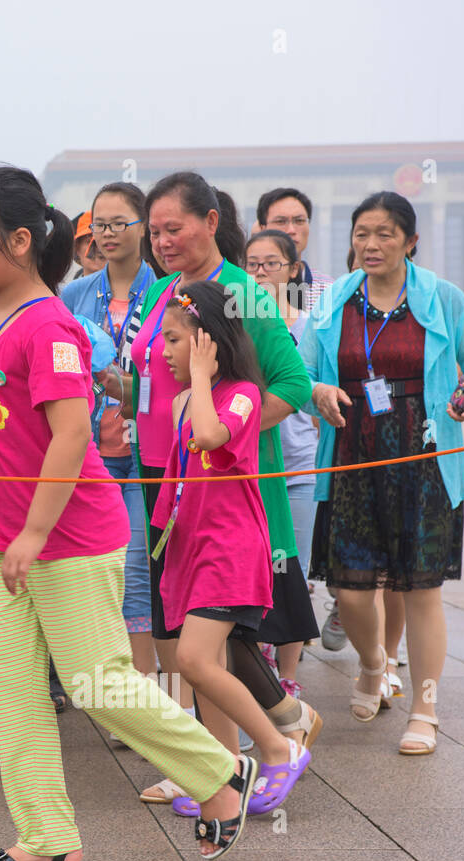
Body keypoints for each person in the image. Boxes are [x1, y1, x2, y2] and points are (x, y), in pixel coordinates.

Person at [0, 165, 258, 861]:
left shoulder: (49, 325)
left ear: (21, 240)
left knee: (97, 682)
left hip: (70, 538)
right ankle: (48, 840)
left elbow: (71, 434)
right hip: (7, 541)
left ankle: (219, 772)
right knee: (12, 689)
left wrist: (30, 530)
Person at [130, 172, 322, 803]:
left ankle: (272, 741)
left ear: (212, 223)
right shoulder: (162, 293)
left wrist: (226, 430)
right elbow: (152, 383)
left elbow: (292, 384)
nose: (161, 241)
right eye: (153, 230)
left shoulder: (241, 295)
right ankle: (221, 769)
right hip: (170, 487)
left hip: (227, 494)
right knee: (184, 637)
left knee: (219, 640)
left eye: (173, 228)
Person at [302, 191, 464, 756]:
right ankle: (374, 663)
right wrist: (316, 391)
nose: (371, 244)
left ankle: (424, 709)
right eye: (362, 234)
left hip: (422, 459)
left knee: (422, 590)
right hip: (352, 458)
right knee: (350, 593)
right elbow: (298, 376)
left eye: (384, 233)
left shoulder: (443, 299)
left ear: (410, 240)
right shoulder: (333, 303)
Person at [153, 281, 312, 816]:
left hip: (230, 546)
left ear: (208, 341)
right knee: (208, 662)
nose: (165, 351)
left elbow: (211, 436)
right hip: (191, 546)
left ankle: (277, 748)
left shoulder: (240, 392)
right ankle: (226, 775)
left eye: (176, 340)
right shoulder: (182, 398)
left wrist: (200, 377)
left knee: (196, 660)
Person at [61, 183, 158, 681]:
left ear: (144, 226)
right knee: (96, 571)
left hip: (143, 453)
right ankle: (109, 679)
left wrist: (123, 386)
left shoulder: (165, 291)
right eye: (100, 224)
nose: (108, 234)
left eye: (120, 223)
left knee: (137, 571)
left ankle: (144, 689)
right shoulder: (74, 295)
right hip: (90, 452)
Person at [246, 229, 318, 696]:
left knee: (293, 573)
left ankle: (288, 678)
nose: (259, 273)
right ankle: (261, 668)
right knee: (255, 573)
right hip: (256, 466)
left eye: (270, 263)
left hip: (302, 464)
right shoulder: (242, 321)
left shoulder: (313, 323)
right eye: (251, 264)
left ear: (293, 268)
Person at [256, 187, 333, 313]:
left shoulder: (330, 291)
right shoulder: (245, 290)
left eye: (299, 221)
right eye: (281, 221)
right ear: (262, 228)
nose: (291, 230)